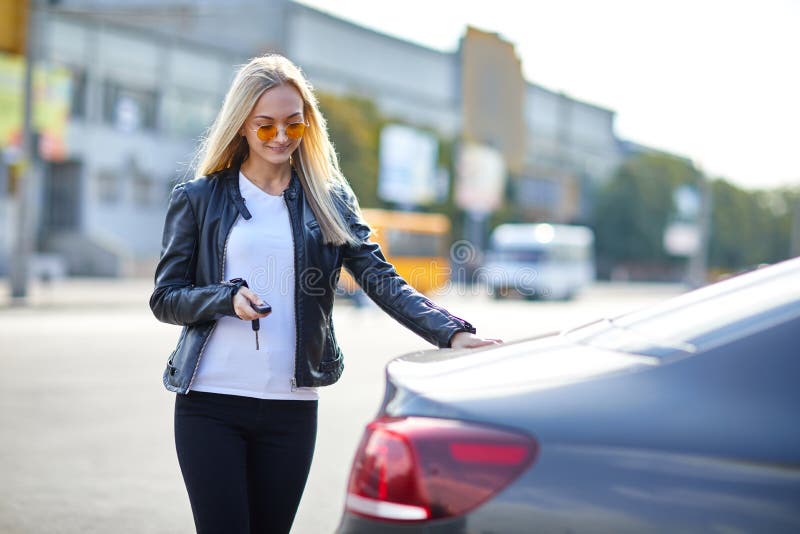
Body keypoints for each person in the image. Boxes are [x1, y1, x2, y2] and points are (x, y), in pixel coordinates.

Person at [149, 53, 502, 534]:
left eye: (293, 124)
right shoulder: (199, 198)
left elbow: (381, 279)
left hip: (291, 408)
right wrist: (224, 299)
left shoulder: (329, 199)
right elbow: (166, 297)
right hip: (211, 403)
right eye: (265, 125)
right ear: (242, 125)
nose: (280, 137)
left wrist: (451, 333)